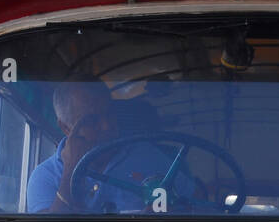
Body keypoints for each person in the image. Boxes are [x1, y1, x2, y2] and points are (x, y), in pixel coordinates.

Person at [26, 82, 201, 214]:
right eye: (92, 120)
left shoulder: (150, 156)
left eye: (109, 113)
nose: (106, 126)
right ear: (66, 127)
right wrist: (70, 170)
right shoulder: (45, 177)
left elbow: (197, 206)